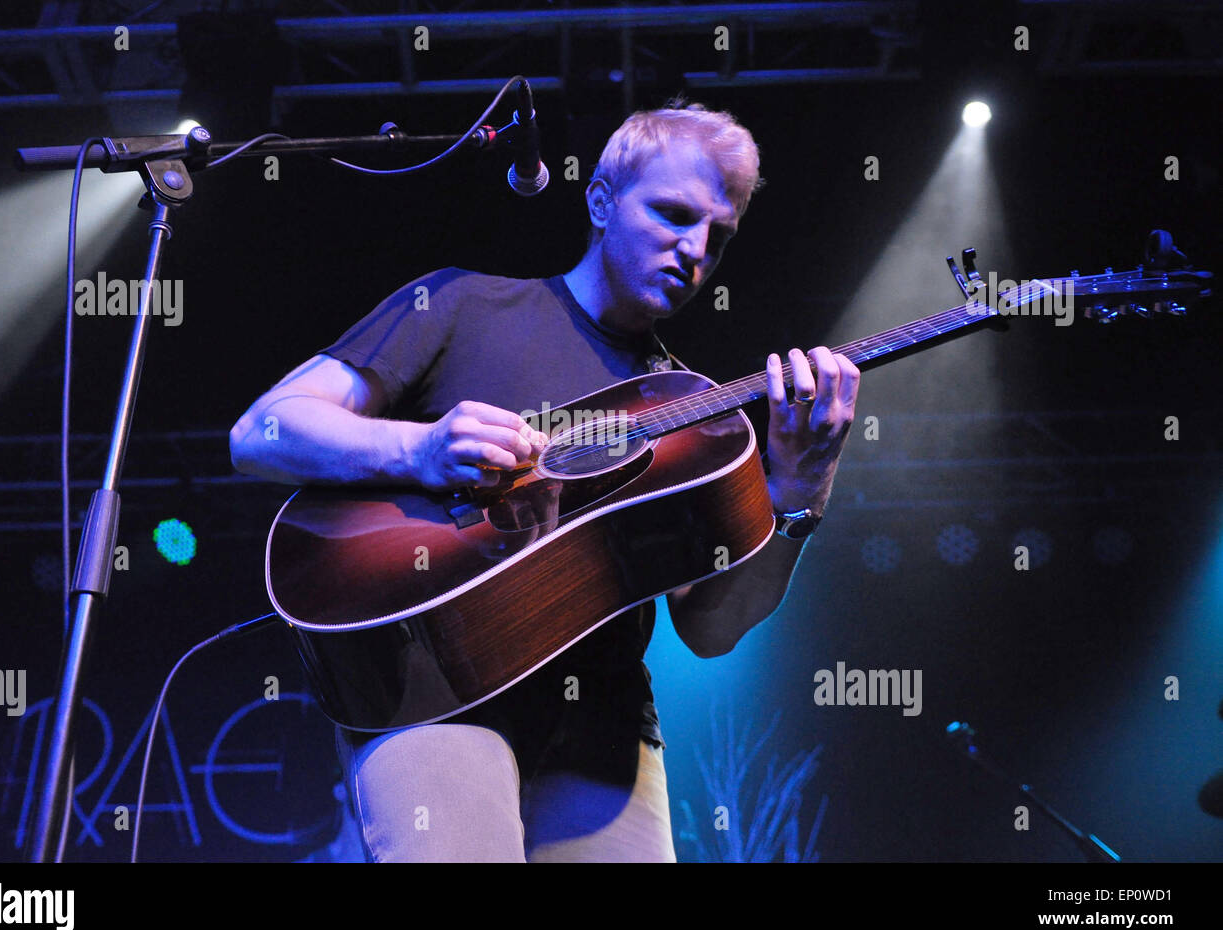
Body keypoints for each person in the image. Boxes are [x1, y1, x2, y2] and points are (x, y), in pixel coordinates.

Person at [229, 101, 860, 862]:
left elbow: (711, 628)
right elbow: (262, 431)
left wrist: (800, 487)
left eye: (717, 239)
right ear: (598, 201)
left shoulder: (684, 408)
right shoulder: (464, 303)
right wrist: (420, 448)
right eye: (671, 213)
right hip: (434, 689)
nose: (694, 249)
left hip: (605, 720)